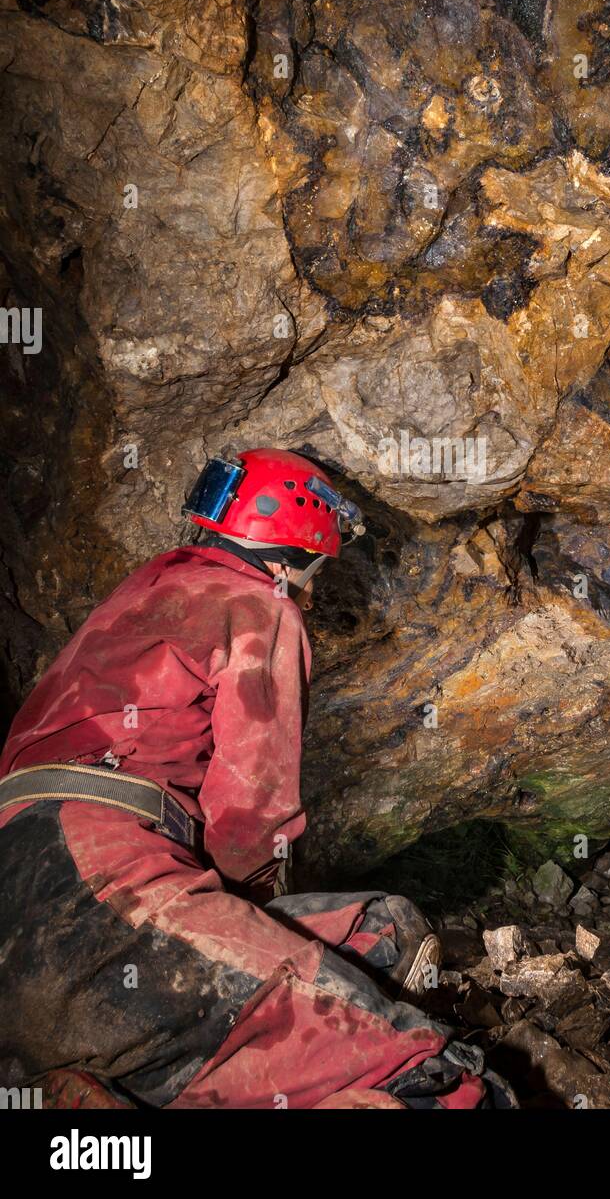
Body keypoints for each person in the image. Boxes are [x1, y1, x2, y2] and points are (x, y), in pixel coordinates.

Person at [0, 448, 512, 1109]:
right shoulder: (257, 604)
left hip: (26, 911)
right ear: (299, 549)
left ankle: (108, 1083)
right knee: (437, 1080)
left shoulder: (144, 590)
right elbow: (251, 808)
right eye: (320, 570)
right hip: (104, 880)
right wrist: (245, 891)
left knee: (382, 930)